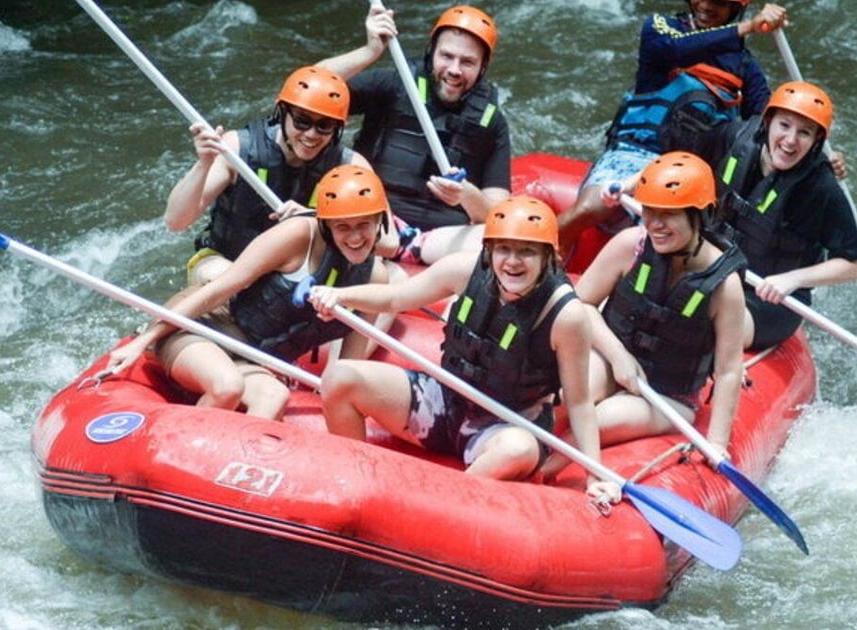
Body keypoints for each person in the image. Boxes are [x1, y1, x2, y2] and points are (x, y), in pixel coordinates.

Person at [306, 196, 620, 504]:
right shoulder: (464, 269)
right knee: (340, 377)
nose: (513, 261)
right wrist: (340, 295)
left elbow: (578, 403)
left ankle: (439, 504)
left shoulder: (566, 315)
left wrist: (595, 475)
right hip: (444, 402)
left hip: (505, 424)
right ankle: (355, 485)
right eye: (504, 249)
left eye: (527, 252)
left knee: (518, 449)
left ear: (549, 258)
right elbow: (394, 299)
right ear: (489, 251)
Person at [106, 165, 393, 420]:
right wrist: (145, 339)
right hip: (201, 329)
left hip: (250, 357)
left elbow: (349, 362)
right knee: (227, 387)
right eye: (343, 227)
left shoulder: (375, 279)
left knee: (273, 398)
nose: (355, 237)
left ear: (380, 221)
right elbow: (221, 288)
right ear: (326, 225)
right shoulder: (297, 236)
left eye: (364, 225)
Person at [545, 152, 746, 474]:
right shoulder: (631, 246)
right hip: (613, 363)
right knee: (567, 393)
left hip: (668, 397)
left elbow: (728, 372)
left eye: (668, 214)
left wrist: (717, 444)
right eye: (650, 211)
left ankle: (540, 473)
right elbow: (579, 304)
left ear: (699, 216)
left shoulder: (725, 286)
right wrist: (618, 356)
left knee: (599, 418)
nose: (655, 224)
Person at [557, 0, 787, 261]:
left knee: (667, 251)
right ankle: (548, 266)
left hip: (690, 173)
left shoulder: (744, 66)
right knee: (588, 208)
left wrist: (818, 153)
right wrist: (748, 27)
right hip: (636, 152)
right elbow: (675, 47)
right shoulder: (661, 28)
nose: (706, 5)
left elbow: (768, 124)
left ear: (735, 8)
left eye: (720, 2)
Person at [317, 4, 512, 265]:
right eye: (447, 56)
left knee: (504, 240)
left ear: (482, 67)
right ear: (431, 53)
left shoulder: (493, 123)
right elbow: (311, 88)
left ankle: (418, 262)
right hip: (371, 225)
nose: (454, 69)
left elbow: (497, 216)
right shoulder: (394, 85)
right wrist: (370, 51)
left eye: (467, 62)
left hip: (437, 242)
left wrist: (466, 194)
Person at [163, 65, 392, 285]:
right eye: (302, 121)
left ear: (337, 129)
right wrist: (203, 165)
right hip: (226, 263)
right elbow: (176, 221)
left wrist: (318, 220)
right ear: (283, 113)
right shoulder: (237, 149)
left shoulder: (350, 166)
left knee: (388, 276)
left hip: (302, 272)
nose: (311, 134)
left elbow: (390, 243)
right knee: (226, 276)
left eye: (324, 126)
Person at [700, 80, 857, 350]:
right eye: (784, 125)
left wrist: (793, 279)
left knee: (707, 330)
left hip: (769, 299)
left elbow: (854, 265)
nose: (790, 140)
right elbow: (682, 163)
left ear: (815, 142)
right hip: (716, 269)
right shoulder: (733, 138)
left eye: (805, 133)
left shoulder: (821, 188)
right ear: (768, 122)